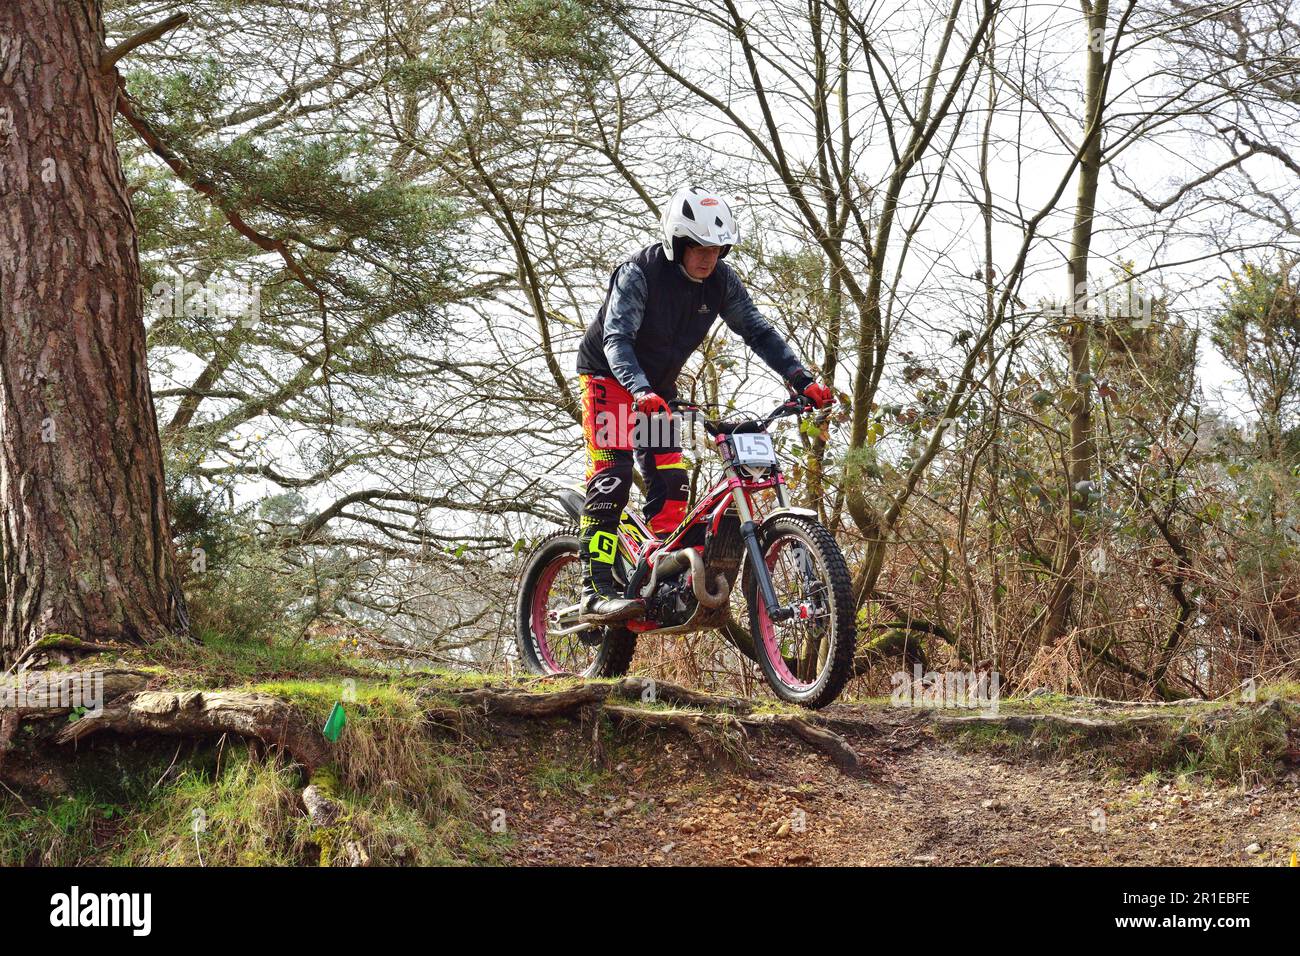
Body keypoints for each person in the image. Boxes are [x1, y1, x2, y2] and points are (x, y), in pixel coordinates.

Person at [574, 186, 834, 622]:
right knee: (613, 477)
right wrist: (638, 389)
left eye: (716, 249)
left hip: (656, 393)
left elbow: (757, 330)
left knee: (672, 480)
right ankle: (593, 589)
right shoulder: (639, 273)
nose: (707, 258)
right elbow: (615, 339)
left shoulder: (721, 282)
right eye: (697, 247)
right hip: (612, 381)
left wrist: (800, 378)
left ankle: (664, 580)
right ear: (676, 242)